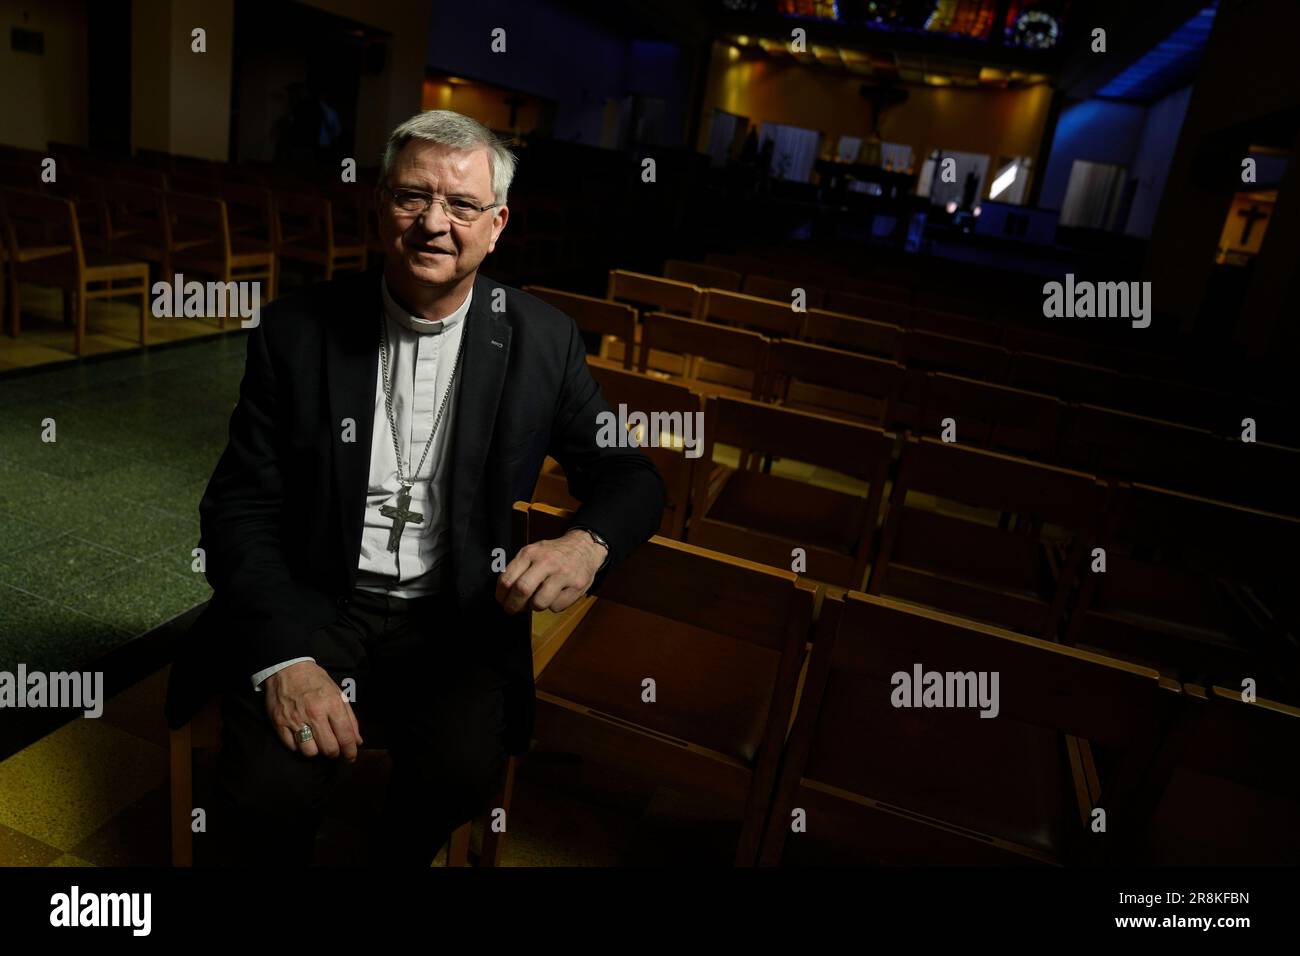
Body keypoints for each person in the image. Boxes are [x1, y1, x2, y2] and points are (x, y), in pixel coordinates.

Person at [164, 109, 666, 866]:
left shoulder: (542, 339)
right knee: (266, 797)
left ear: (496, 225)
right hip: (315, 602)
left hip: (456, 615)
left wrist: (586, 543)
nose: (434, 222)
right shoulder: (297, 330)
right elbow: (239, 507)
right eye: (412, 197)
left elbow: (630, 473)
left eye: (462, 205)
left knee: (459, 775)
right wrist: (285, 661)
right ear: (381, 205)